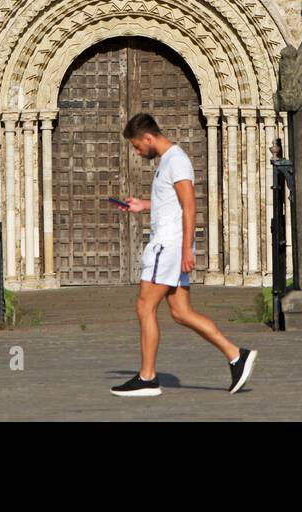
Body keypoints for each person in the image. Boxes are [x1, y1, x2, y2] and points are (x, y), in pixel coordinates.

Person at [109, 112, 258, 397]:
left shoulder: (176, 160)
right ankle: (236, 355)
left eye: (137, 146)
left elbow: (190, 207)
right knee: (181, 313)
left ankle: (148, 378)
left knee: (144, 307)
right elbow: (173, 204)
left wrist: (187, 249)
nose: (137, 152)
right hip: (171, 245)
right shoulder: (168, 162)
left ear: (148, 138)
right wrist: (143, 205)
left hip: (167, 246)